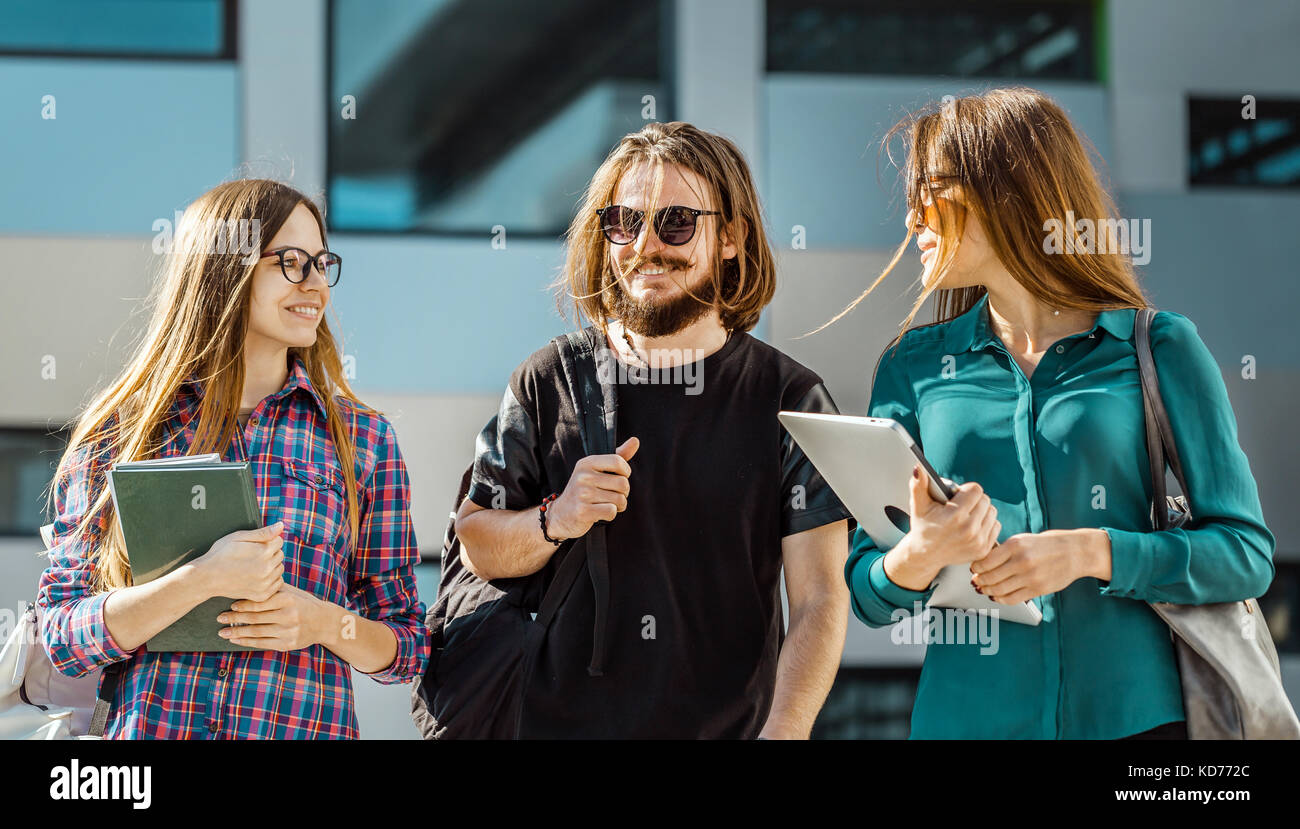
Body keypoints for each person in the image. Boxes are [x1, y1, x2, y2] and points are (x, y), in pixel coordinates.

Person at [834, 88, 1275, 739]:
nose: (912, 223)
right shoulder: (915, 365)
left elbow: (1245, 553)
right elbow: (868, 590)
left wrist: (1091, 551)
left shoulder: (1161, 348)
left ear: (1005, 191)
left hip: (1136, 725)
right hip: (963, 724)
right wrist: (922, 553)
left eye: (931, 197)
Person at [455, 121, 852, 739]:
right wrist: (554, 520)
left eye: (675, 223)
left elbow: (820, 599)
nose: (646, 245)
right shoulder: (546, 381)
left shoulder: (791, 399)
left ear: (731, 237)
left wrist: (785, 732)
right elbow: (477, 540)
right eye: (624, 222)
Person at [39, 179, 429, 739]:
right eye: (291, 262)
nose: (316, 284)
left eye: (323, 263)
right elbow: (61, 636)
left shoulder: (363, 441)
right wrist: (198, 581)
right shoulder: (123, 430)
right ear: (224, 269)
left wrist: (320, 621)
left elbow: (408, 647)